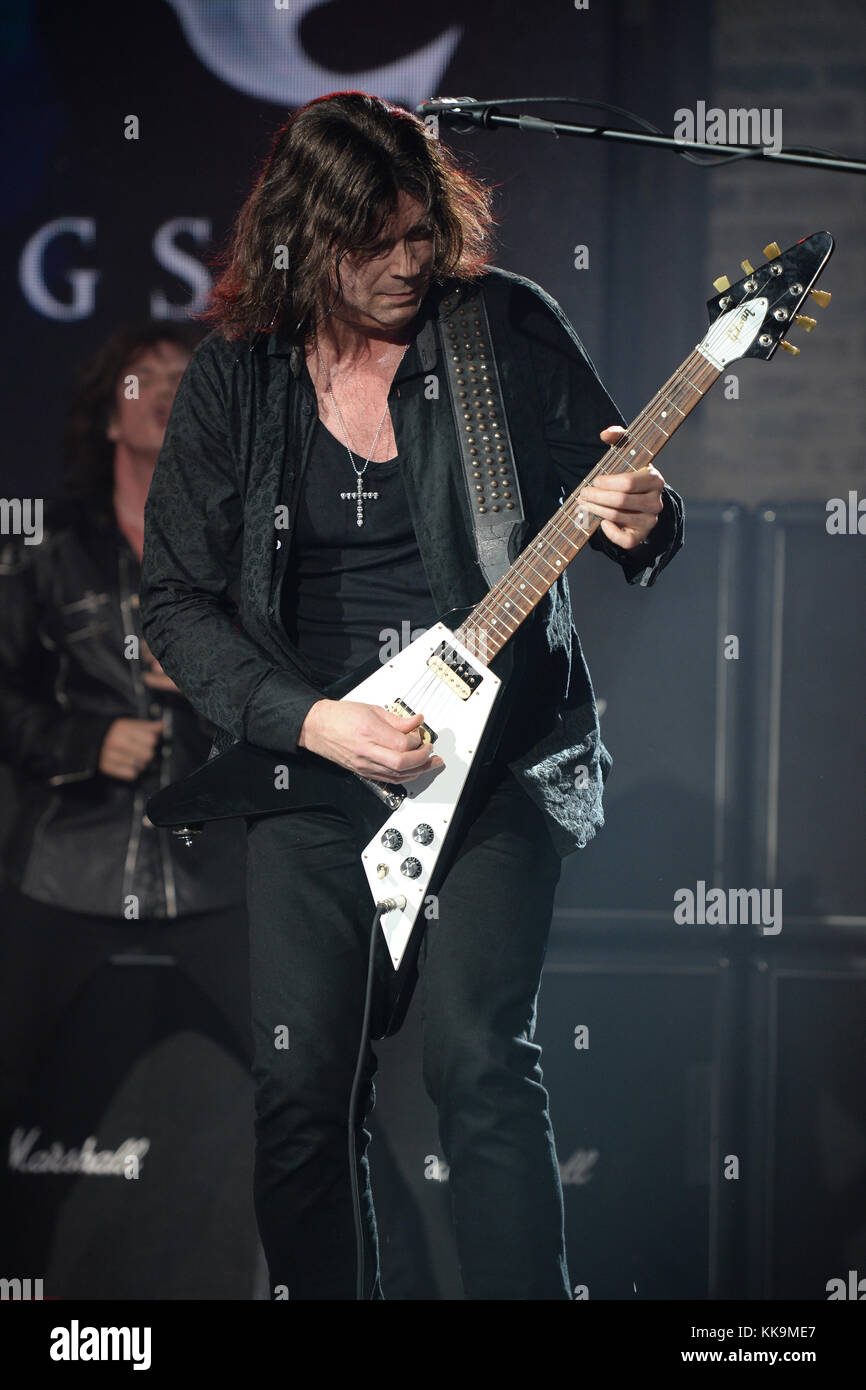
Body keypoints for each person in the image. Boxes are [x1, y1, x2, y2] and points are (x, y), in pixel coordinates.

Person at [139, 91, 684, 1301]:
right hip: (316, 756)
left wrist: (642, 518)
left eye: (418, 232)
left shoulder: (500, 328)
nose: (406, 263)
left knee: (478, 1059)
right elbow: (171, 602)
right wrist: (315, 720)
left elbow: (618, 497)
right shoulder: (237, 376)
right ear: (301, 236)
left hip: (494, 755)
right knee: (299, 1086)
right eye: (371, 241)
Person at [0, 324, 252, 1287]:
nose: (168, 392)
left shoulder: (235, 551)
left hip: (211, 867)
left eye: (189, 382)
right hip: (71, 863)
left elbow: (311, 700)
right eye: (148, 380)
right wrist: (81, 744)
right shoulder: (46, 555)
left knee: (309, 1078)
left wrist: (213, 683)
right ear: (111, 413)